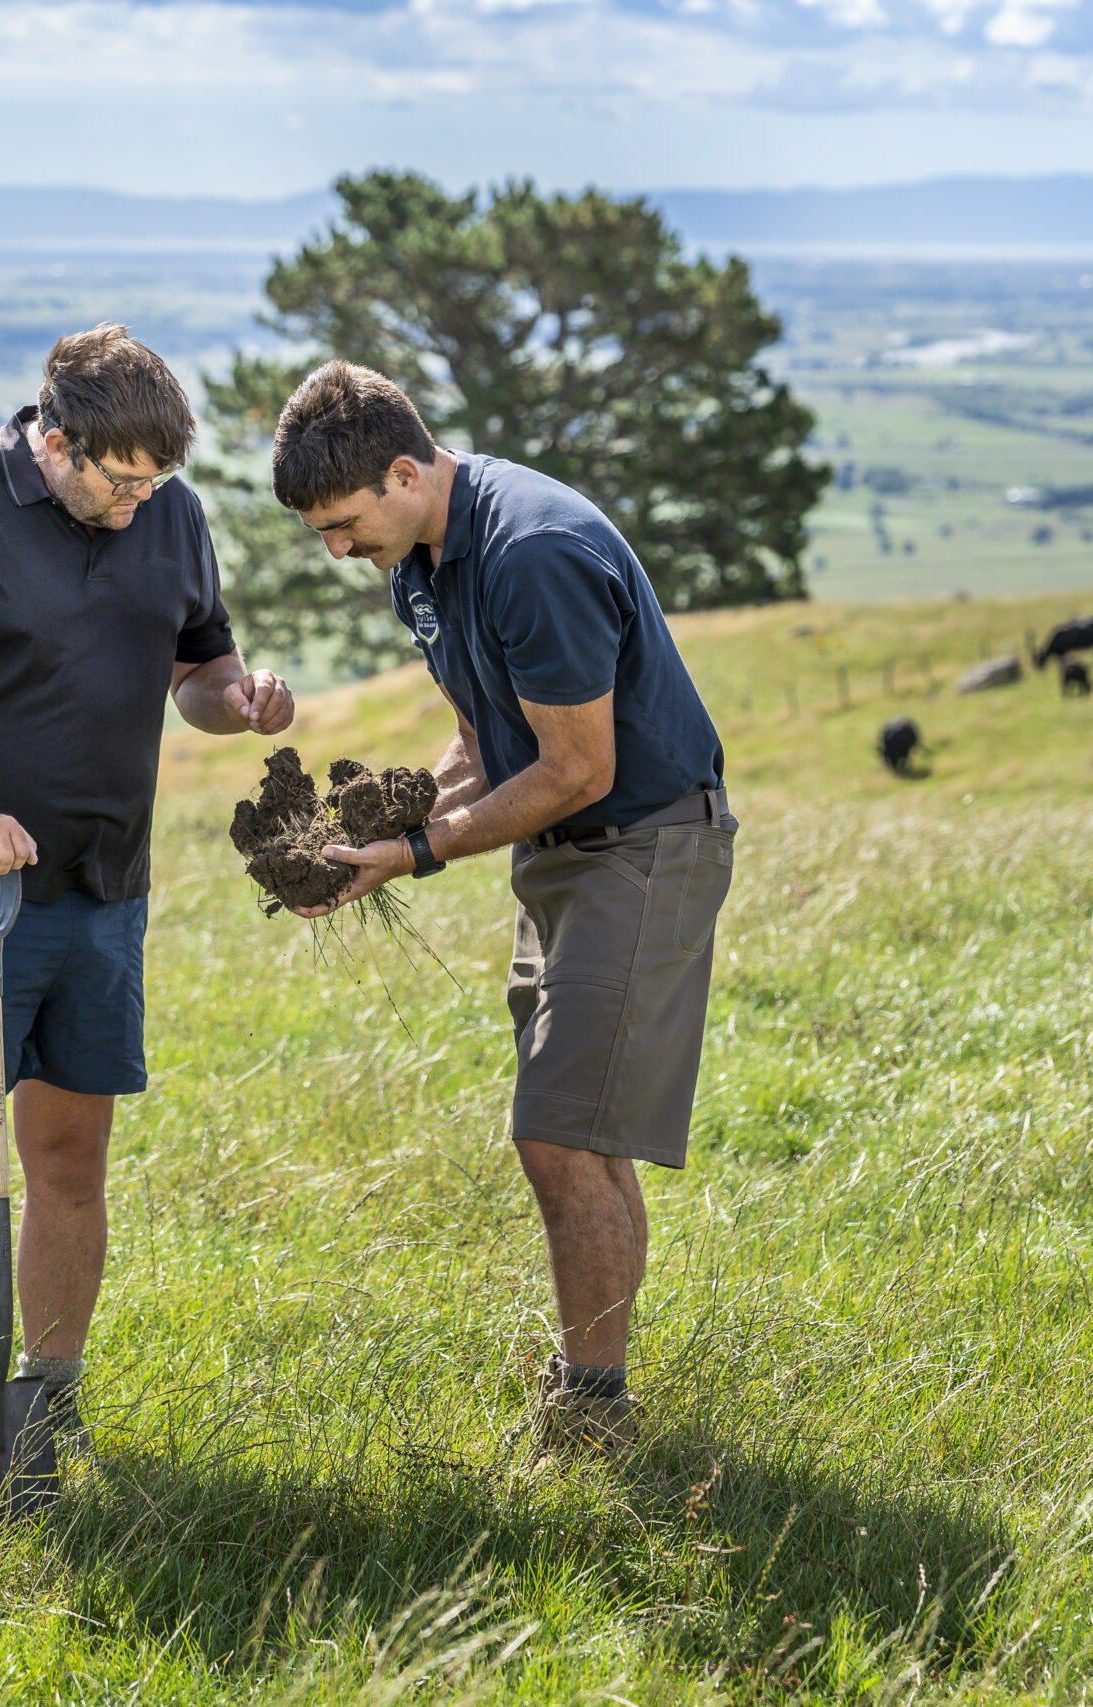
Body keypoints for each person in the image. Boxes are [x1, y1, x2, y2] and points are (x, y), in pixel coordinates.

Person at [0, 324, 294, 1489]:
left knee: (71, 1158)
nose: (143, 500)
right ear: (55, 440)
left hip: (105, 887)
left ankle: (47, 1405)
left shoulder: (171, 514)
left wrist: (237, 701)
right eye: (122, 479)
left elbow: (195, 671)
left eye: (158, 480)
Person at [269, 360, 734, 1454]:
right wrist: (392, 815)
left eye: (342, 524)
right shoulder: (420, 562)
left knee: (560, 1136)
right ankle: (599, 1388)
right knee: (582, 1135)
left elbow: (574, 766)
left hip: (641, 843)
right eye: (318, 534)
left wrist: (418, 852)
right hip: (561, 853)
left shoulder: (531, 554)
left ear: (402, 471)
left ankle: (592, 1411)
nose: (336, 551)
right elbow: (487, 743)